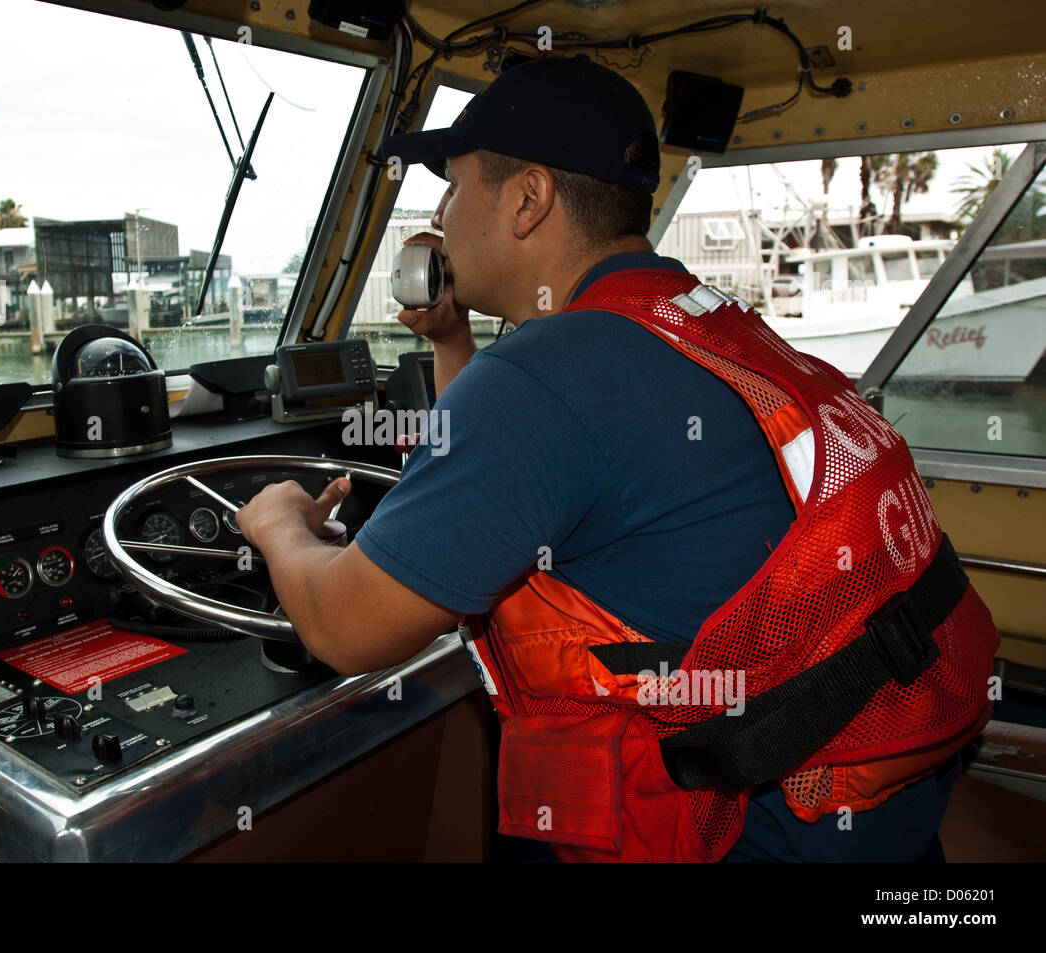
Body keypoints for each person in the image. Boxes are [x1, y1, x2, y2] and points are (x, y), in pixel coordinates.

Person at [235, 55, 999, 862]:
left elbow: (344, 627)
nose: (440, 216)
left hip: (742, 834)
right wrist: (454, 344)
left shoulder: (540, 378)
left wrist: (281, 523)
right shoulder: (700, 324)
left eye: (453, 188)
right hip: (879, 818)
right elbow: (503, 474)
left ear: (528, 200)